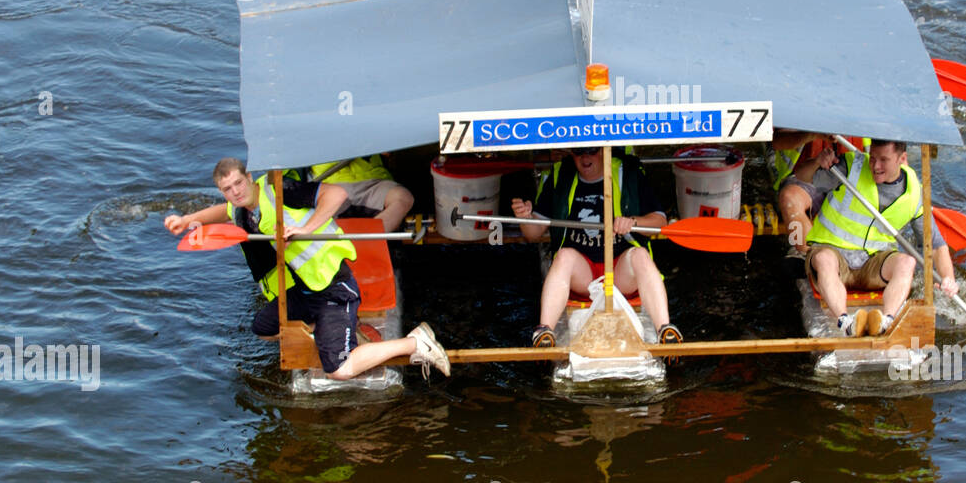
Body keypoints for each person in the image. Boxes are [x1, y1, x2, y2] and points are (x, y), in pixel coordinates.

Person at [164, 158, 449, 380]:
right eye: (228, 189)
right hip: (303, 289)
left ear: (250, 178)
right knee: (263, 328)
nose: (236, 192)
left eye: (239, 183)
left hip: (333, 287)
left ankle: (414, 343)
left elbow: (336, 195)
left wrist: (305, 229)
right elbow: (222, 211)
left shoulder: (279, 191)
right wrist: (187, 220)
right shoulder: (238, 208)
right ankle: (337, 334)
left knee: (338, 371)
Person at [511, 147, 681, 348]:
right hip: (582, 274)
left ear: (603, 151)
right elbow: (532, 234)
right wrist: (525, 218)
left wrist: (633, 222)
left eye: (591, 151)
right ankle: (544, 330)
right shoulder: (561, 175)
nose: (585, 157)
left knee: (641, 255)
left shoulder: (629, 172)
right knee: (564, 256)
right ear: (570, 154)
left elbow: (659, 221)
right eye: (578, 152)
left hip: (620, 272)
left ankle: (665, 328)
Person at [804, 140, 959, 337]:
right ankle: (845, 321)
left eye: (884, 160)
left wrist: (948, 278)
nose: (876, 166)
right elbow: (803, 177)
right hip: (835, 257)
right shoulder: (850, 166)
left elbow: (935, 246)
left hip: (873, 264)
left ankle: (886, 321)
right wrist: (817, 162)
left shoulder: (914, 193)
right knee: (823, 258)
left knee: (907, 261)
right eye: (873, 159)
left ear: (902, 159)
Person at [307, 154, 413, 233]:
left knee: (403, 198)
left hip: (373, 181)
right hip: (331, 184)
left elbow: (388, 151)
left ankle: (367, 243)